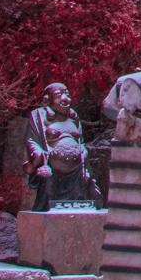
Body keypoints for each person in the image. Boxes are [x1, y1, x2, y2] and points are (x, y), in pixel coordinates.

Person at [24, 82, 97, 210]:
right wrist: (41, 157)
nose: (65, 98)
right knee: (48, 196)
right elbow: (32, 140)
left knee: (80, 195)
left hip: (75, 167)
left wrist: (83, 155)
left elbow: (80, 141)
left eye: (67, 94)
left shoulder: (73, 116)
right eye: (59, 95)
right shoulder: (39, 115)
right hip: (52, 165)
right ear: (48, 99)